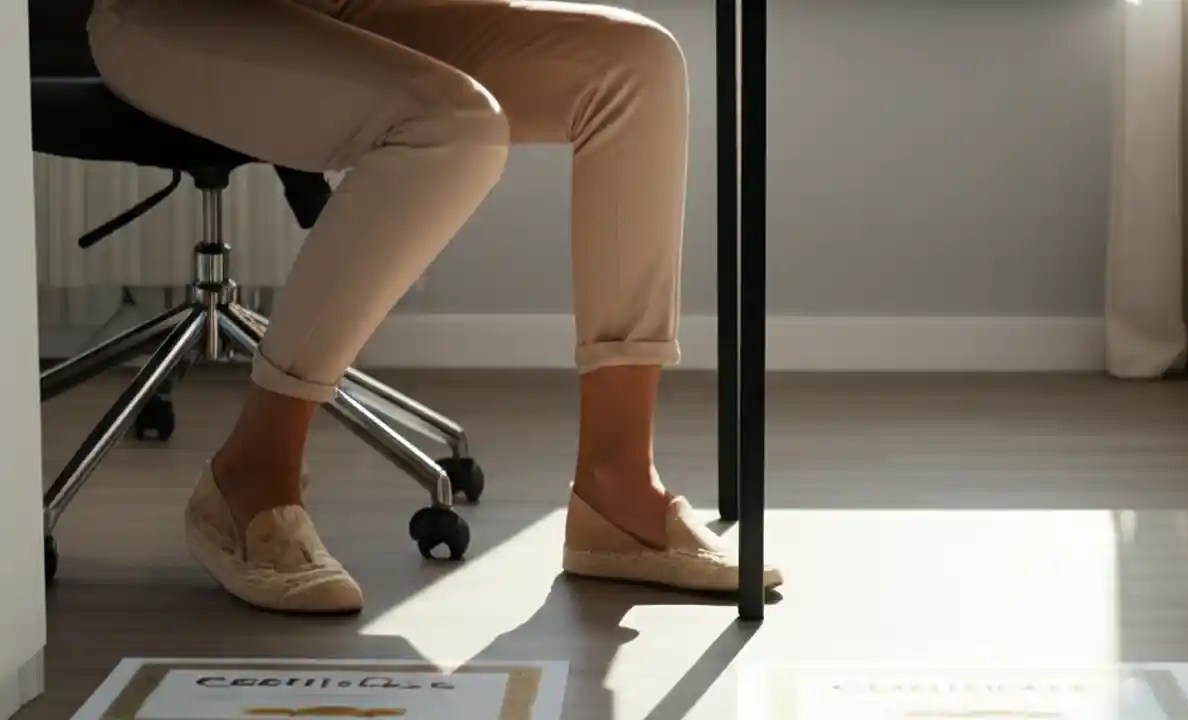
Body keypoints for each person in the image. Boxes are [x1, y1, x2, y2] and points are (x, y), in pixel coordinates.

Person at [87, 0, 782, 614]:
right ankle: (253, 472)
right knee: (454, 126)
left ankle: (618, 487)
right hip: (183, 16)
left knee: (637, 66)